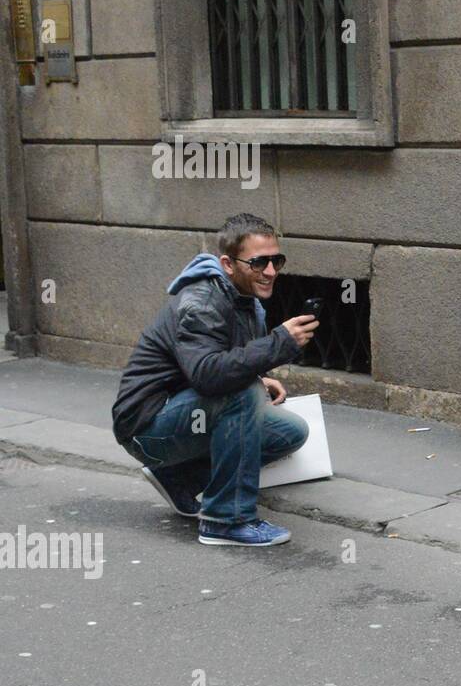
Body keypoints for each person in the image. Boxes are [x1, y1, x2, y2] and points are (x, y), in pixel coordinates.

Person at [111, 213, 319, 546]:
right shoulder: (202, 302)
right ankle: (225, 519)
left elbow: (223, 361)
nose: (270, 272)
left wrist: (261, 377)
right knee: (242, 392)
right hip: (145, 427)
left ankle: (178, 478)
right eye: (259, 262)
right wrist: (279, 343)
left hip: (180, 414)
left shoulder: (244, 299)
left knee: (290, 432)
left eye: (276, 260)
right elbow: (208, 375)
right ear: (228, 263)